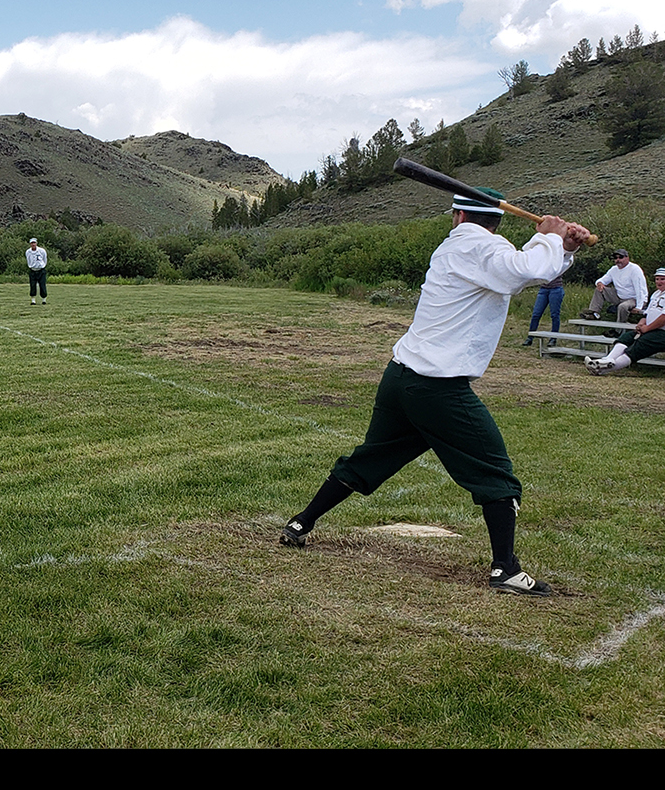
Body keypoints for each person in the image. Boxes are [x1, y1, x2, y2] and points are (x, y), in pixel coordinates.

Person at [279, 189, 590, 597]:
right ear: (496, 221)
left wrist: (560, 247)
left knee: (373, 457)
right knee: (495, 471)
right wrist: (550, 236)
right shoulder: (478, 247)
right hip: (437, 388)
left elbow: (520, 271)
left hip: (401, 378)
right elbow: (517, 270)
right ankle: (505, 570)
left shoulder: (466, 246)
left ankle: (302, 522)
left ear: (460, 216)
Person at [586, 267, 665, 374]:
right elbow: (647, 314)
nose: (659, 282)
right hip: (651, 329)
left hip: (661, 332)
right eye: (657, 279)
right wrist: (641, 324)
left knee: (640, 345)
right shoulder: (656, 294)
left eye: (662, 279)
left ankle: (603, 369)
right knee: (626, 337)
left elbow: (663, 318)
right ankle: (606, 360)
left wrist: (647, 328)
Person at [581, 249, 647, 323]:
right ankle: (594, 313)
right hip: (619, 296)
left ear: (627, 258)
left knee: (623, 307)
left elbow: (640, 289)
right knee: (599, 290)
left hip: (633, 298)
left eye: (621, 257)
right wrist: (600, 283)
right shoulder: (614, 269)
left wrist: (639, 307)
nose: (618, 260)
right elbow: (602, 280)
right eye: (616, 258)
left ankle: (618, 329)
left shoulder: (634, 269)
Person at [522, 274, 564, 346]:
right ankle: (530, 337)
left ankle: (553, 338)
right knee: (536, 314)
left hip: (556, 288)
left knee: (554, 315)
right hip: (543, 288)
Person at [26, 238, 48, 305]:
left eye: (34, 243)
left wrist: (42, 266)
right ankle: (33, 300)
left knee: (42, 285)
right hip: (33, 270)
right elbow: (28, 260)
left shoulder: (42, 251)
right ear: (30, 244)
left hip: (41, 270)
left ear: (36, 243)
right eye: (32, 243)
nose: (33, 244)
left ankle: (44, 300)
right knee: (32, 285)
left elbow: (45, 259)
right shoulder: (28, 252)